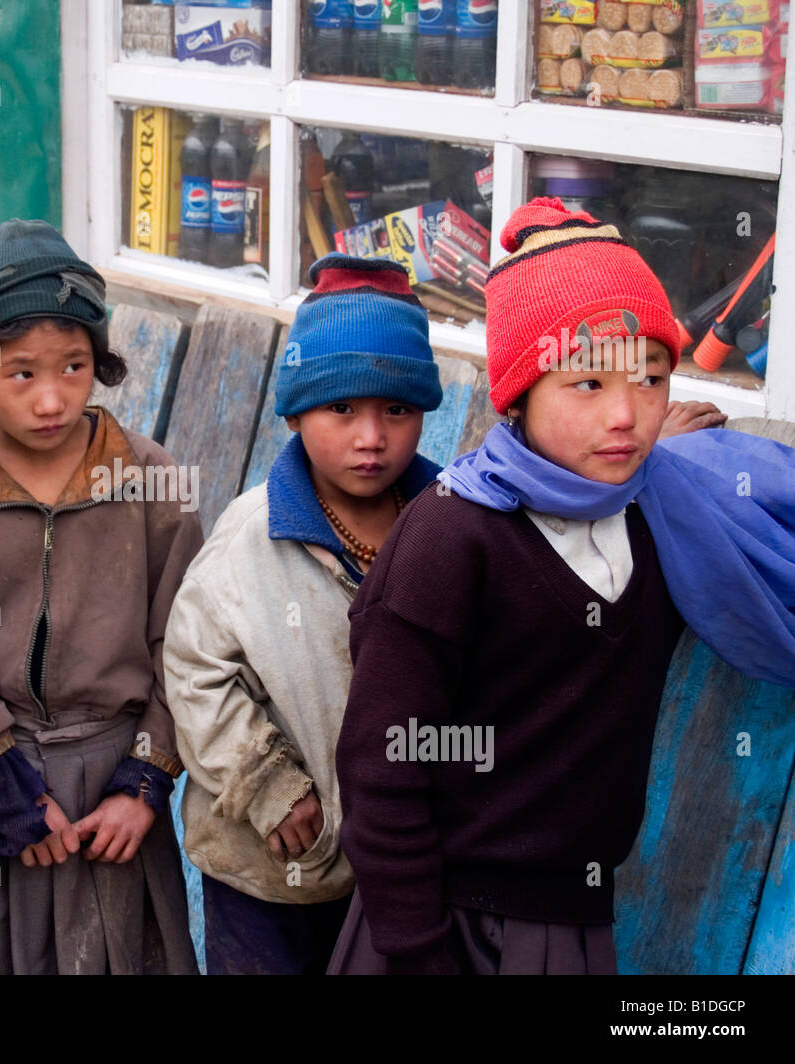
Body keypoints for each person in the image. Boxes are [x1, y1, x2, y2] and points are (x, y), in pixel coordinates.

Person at [329, 198, 795, 975]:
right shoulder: (451, 539)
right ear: (517, 395)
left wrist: (662, 452)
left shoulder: (663, 511)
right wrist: (421, 956)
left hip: (576, 926)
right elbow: (381, 777)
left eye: (649, 380)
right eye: (587, 384)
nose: (626, 416)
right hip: (437, 926)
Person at [0, 218, 202, 974]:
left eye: (73, 365)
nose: (52, 397)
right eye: (21, 373)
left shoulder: (152, 480)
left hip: (112, 789)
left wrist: (148, 774)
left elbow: (188, 644)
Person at [163, 254, 443, 974]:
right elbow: (195, 667)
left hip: (401, 864)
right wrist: (265, 784)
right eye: (341, 408)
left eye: (397, 410)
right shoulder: (252, 537)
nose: (371, 437)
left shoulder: (447, 530)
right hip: (273, 862)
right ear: (293, 413)